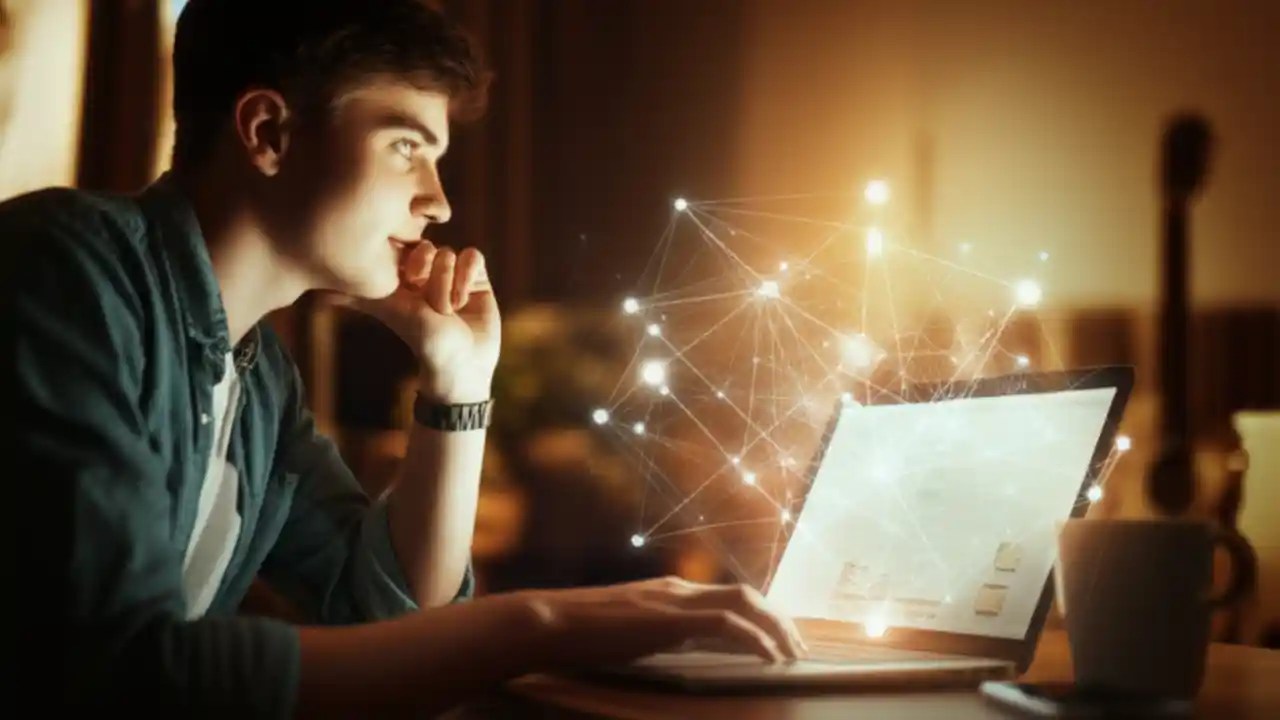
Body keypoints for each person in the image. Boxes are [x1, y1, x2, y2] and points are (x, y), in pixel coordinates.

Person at [3, 0, 805, 716]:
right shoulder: (65, 271)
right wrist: (540, 622)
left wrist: (460, 381)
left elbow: (393, 621)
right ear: (269, 133)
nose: (439, 201)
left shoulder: (259, 379)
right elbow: (120, 667)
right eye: (405, 148)